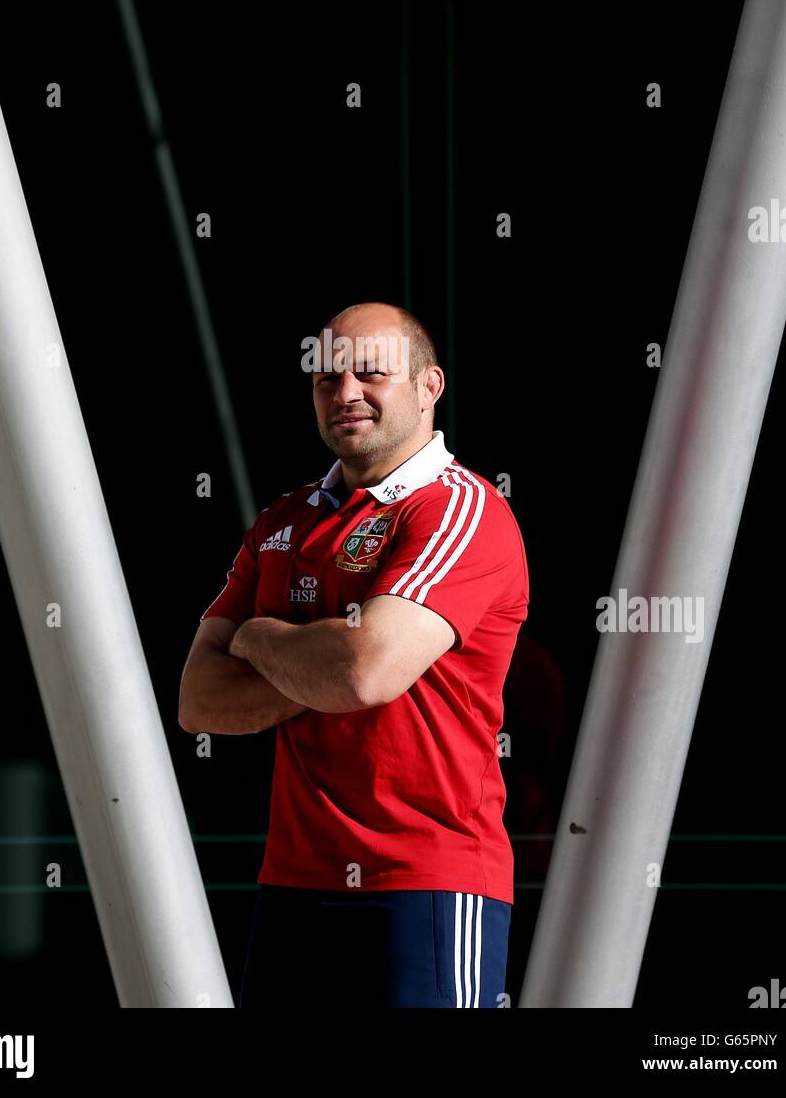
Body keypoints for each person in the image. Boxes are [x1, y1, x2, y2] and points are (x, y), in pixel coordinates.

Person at [178, 301, 529, 1007]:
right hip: (292, 884)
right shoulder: (282, 520)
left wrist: (256, 636)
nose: (345, 395)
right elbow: (199, 701)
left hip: (427, 880)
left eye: (371, 374)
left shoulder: (459, 509)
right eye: (325, 379)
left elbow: (365, 671)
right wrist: (328, 656)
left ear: (429, 386)